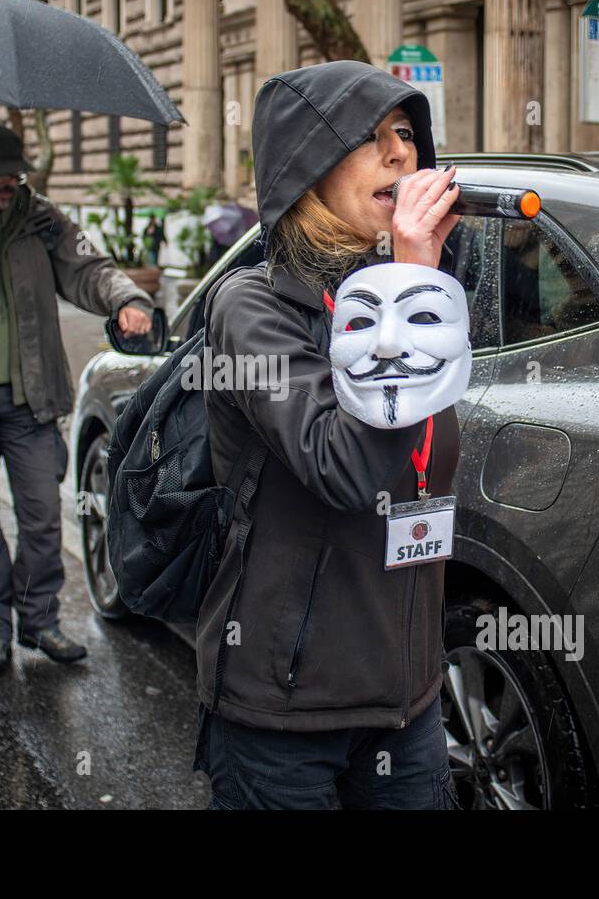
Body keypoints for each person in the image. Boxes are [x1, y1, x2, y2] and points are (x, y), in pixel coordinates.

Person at [193, 60, 464, 809]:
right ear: (307, 168)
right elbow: (346, 470)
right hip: (284, 710)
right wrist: (411, 284)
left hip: (406, 698)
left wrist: (417, 285)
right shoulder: (252, 307)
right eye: (372, 137)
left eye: (407, 135)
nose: (402, 154)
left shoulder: (415, 300)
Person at [0, 124, 155, 676]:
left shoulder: (41, 218)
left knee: (42, 517)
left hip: (32, 401)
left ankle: (39, 621)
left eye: (18, 170)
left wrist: (127, 299)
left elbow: (89, 268)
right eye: (2, 172)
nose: (14, 181)